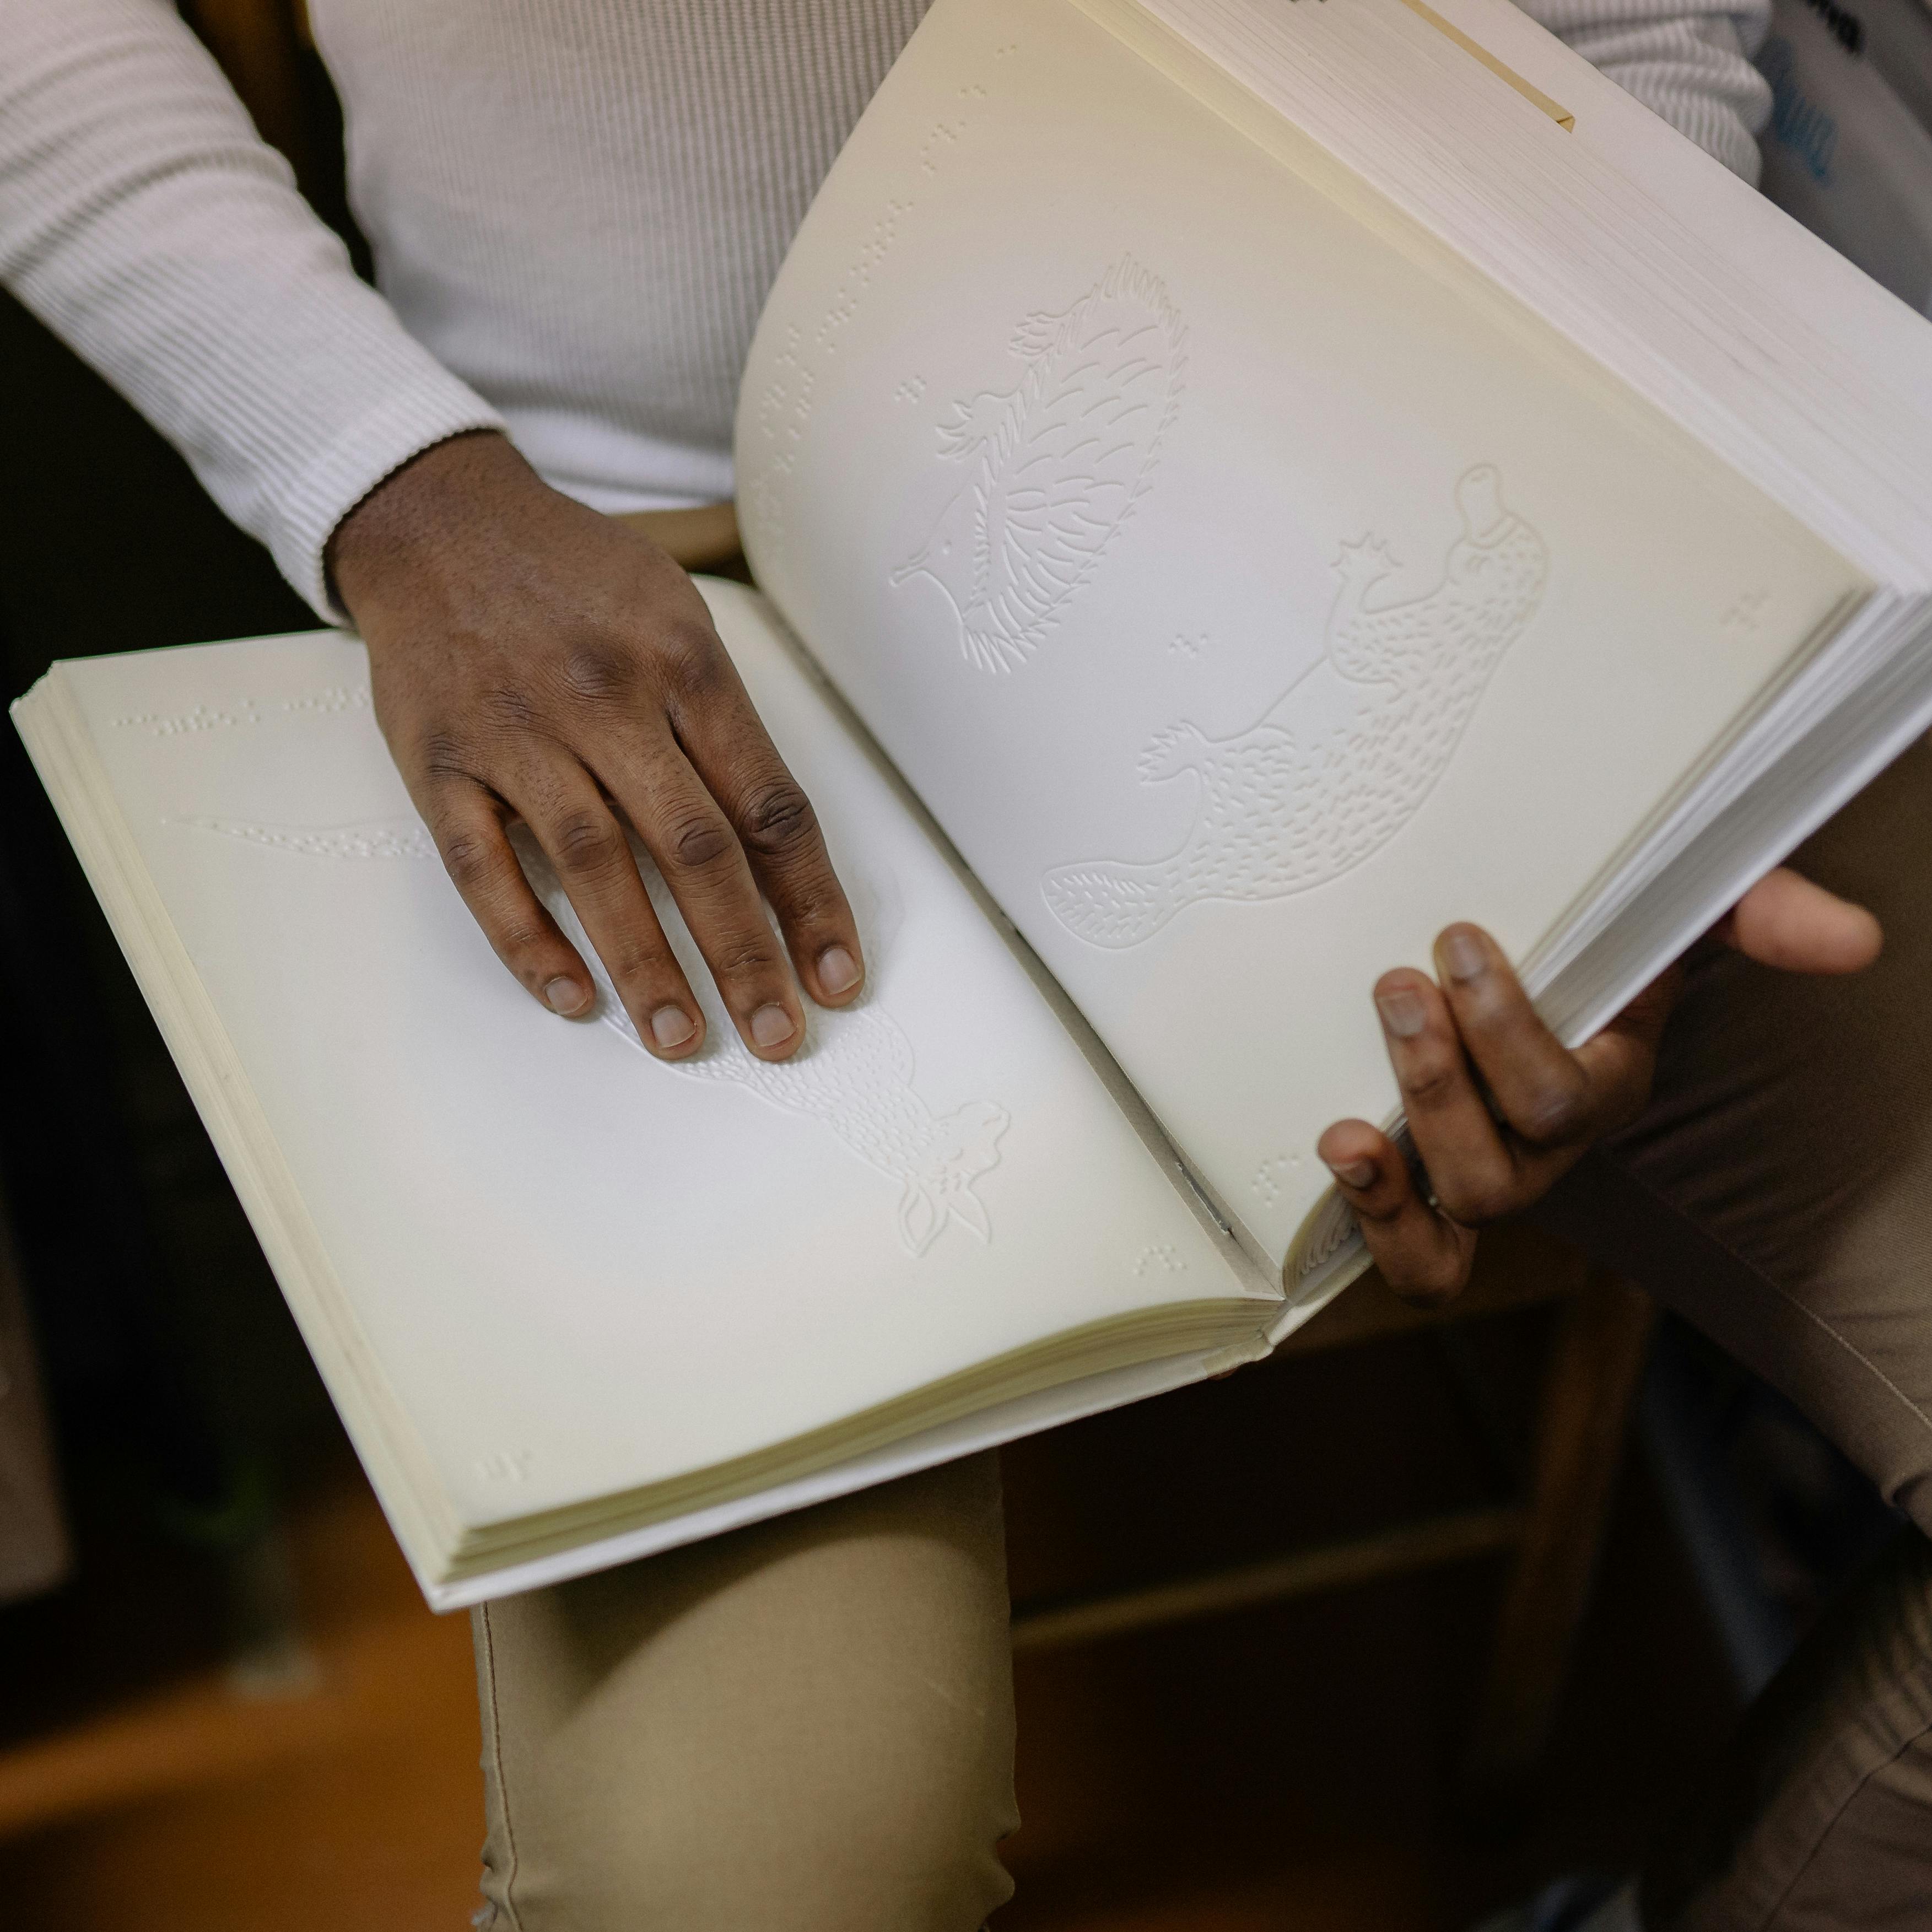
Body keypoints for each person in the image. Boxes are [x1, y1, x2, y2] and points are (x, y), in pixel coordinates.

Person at [2, 2, 1926, 1926]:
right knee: (730, 1889)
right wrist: (384, 480)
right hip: (582, 554)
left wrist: (1654, 637)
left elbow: (1621, 27)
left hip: (1340, 443)